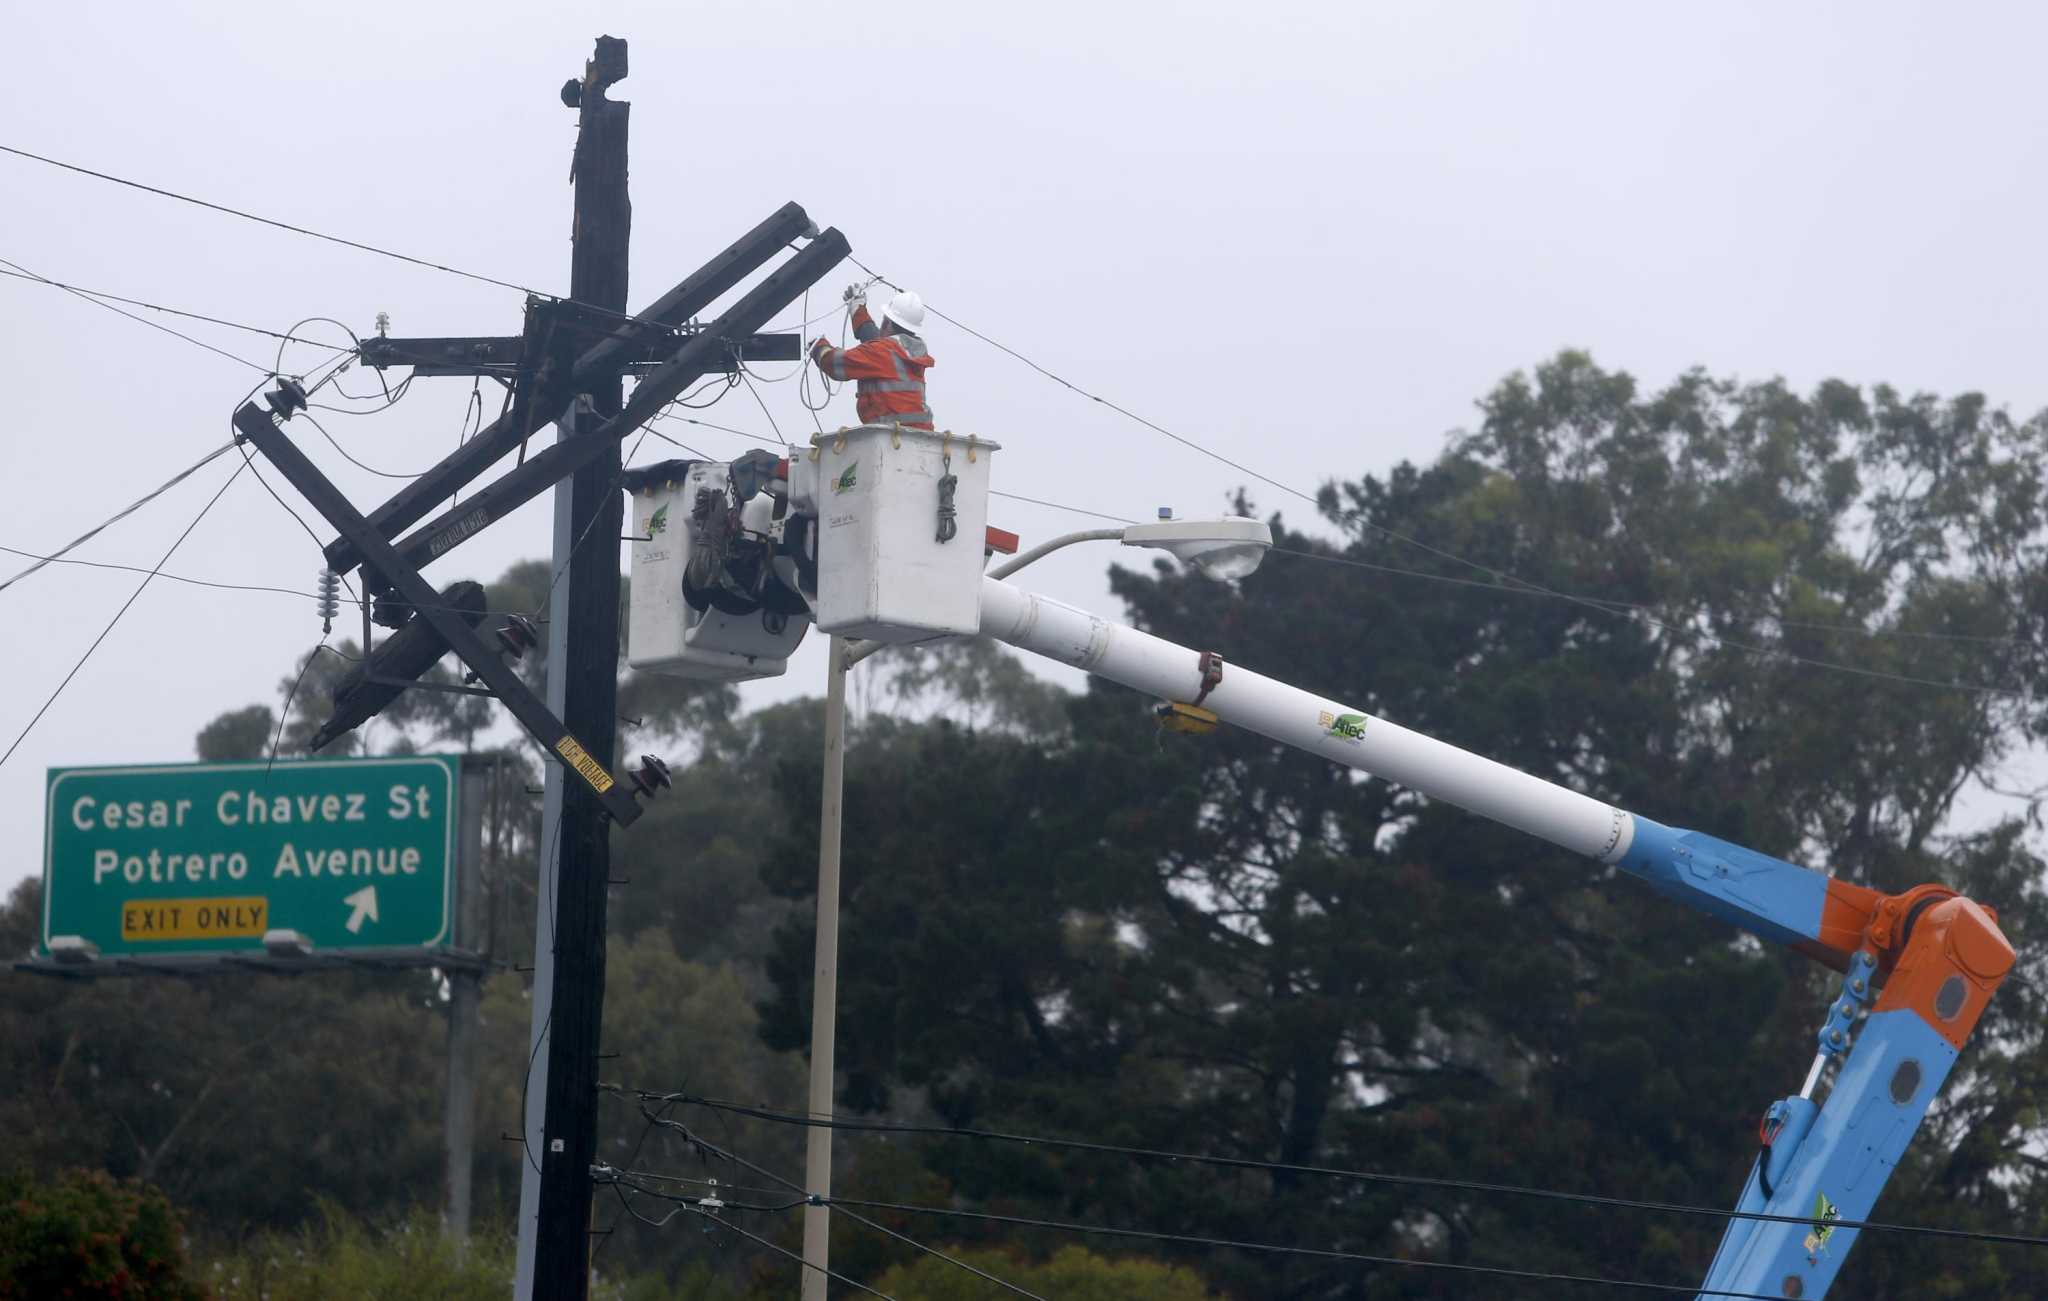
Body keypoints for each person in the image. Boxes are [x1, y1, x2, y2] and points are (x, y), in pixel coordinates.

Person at [809, 285, 935, 430]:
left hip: (890, 438)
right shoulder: (912, 351)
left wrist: (818, 346)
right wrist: (857, 308)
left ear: (887, 322)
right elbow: (875, 340)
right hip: (920, 435)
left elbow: (834, 364)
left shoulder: (881, 352)